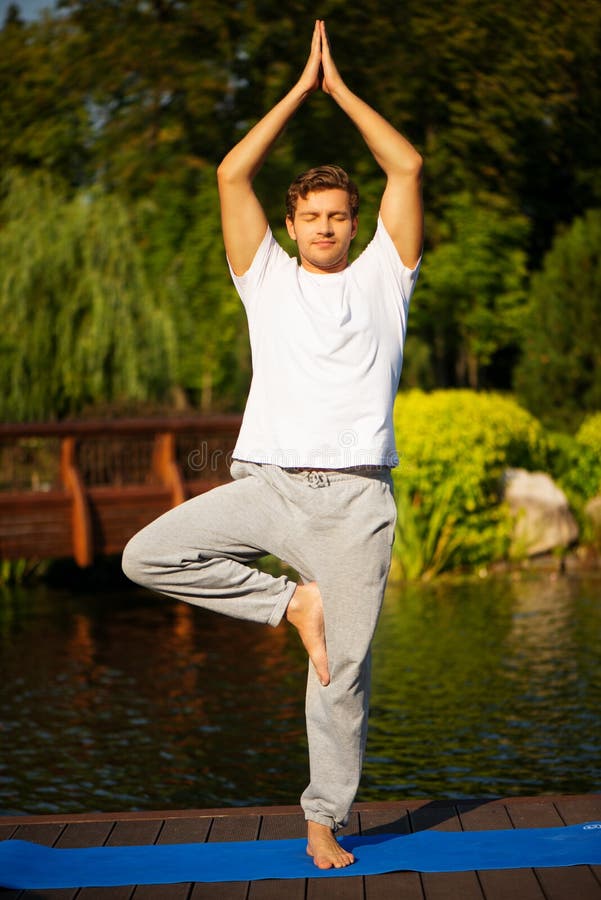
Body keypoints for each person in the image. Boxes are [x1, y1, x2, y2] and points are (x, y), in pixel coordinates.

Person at [122, 19, 423, 870]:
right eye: (311, 216)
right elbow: (230, 171)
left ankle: (322, 819)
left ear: (354, 223)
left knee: (341, 681)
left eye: (337, 215)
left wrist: (342, 90)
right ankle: (291, 605)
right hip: (269, 486)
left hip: (355, 502)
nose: (324, 227)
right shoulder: (264, 276)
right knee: (146, 556)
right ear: (290, 223)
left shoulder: (385, 276)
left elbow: (405, 165)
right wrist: (298, 90)